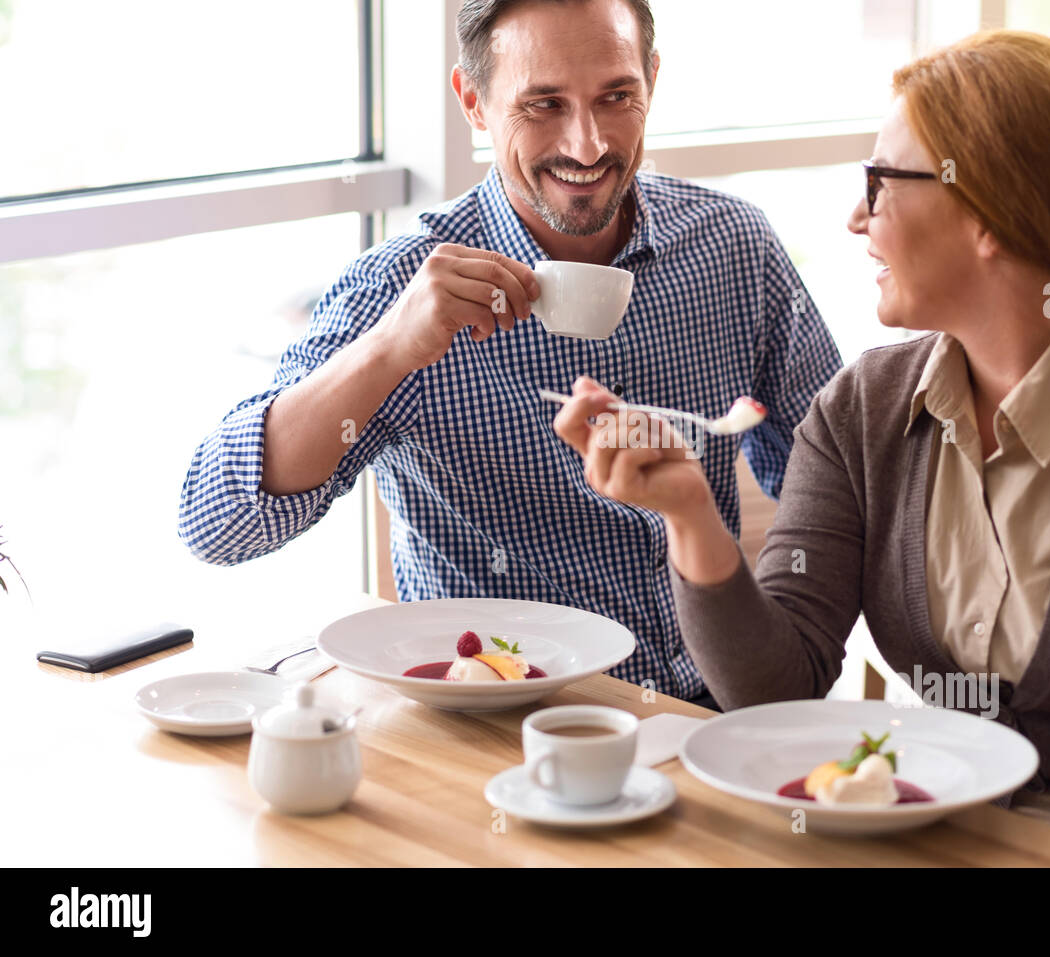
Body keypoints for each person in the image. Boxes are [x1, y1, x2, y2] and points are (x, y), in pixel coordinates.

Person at [554, 30, 1050, 867]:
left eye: (882, 183)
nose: (855, 215)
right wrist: (690, 515)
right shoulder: (863, 410)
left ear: (988, 216)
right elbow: (779, 684)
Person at [176, 0, 841, 710]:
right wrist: (386, 352)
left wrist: (774, 636)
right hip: (494, 739)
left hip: (704, 721)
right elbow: (217, 525)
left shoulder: (732, 245)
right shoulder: (400, 290)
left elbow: (836, 479)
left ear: (652, 78)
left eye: (616, 97)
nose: (586, 147)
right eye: (543, 105)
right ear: (474, 102)